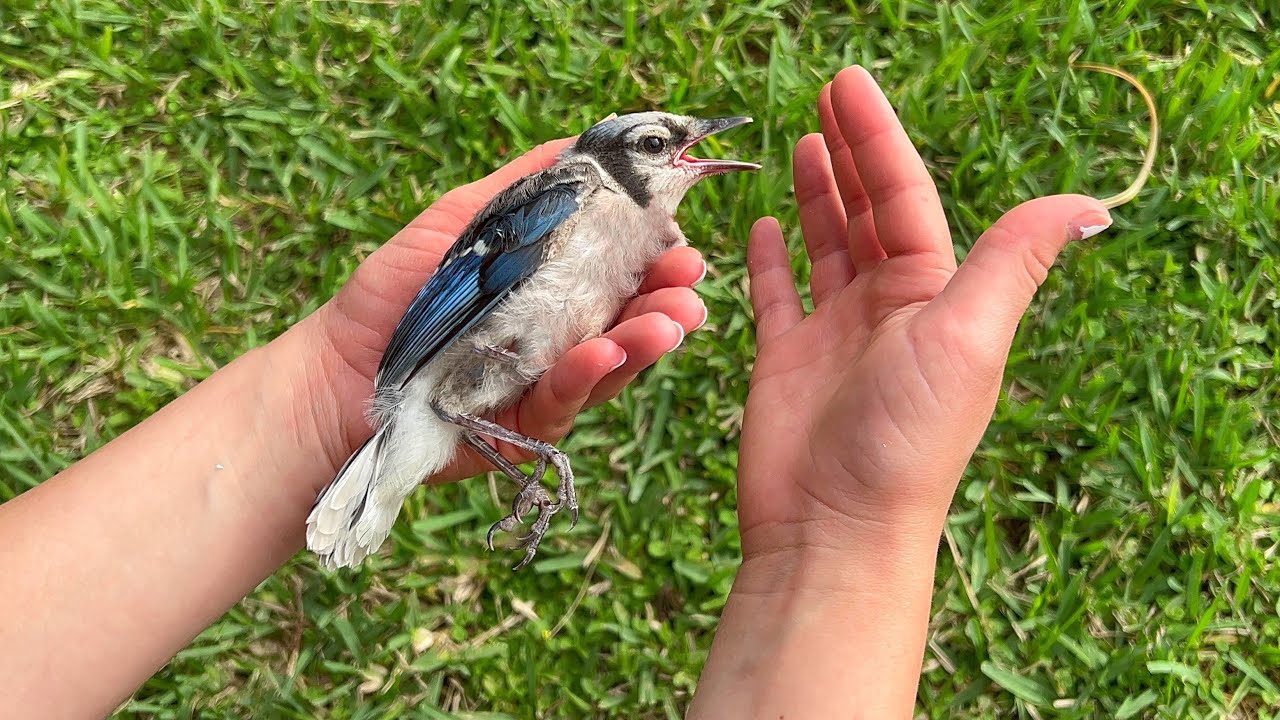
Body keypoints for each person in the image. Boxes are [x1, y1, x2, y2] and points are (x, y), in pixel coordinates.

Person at [0, 65, 1110, 718]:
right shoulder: (575, 188)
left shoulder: (630, 225)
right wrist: (378, 395)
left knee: (525, 409)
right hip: (441, 368)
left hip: (453, 384)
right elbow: (462, 294)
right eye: (663, 144)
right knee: (487, 409)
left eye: (683, 144)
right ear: (618, 157)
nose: (686, 151)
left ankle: (476, 450)